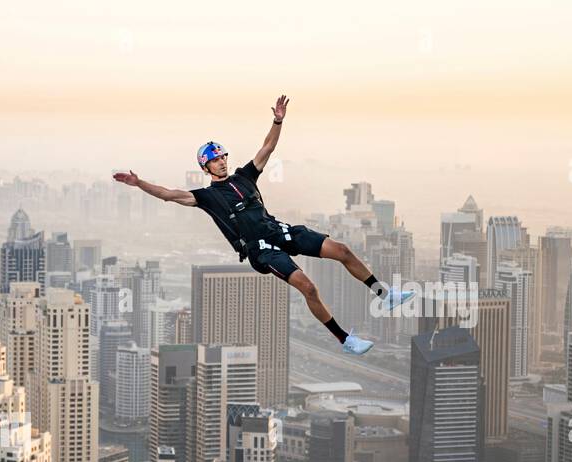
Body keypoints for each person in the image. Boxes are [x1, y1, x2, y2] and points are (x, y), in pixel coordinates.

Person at [113, 94, 413, 355]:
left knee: (342, 250)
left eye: (223, 157)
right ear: (205, 167)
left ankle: (385, 295)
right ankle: (345, 340)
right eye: (215, 160)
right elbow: (168, 194)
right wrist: (140, 183)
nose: (222, 161)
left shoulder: (245, 176)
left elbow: (267, 147)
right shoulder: (206, 197)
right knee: (308, 287)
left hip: (280, 231)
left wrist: (278, 121)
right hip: (262, 251)